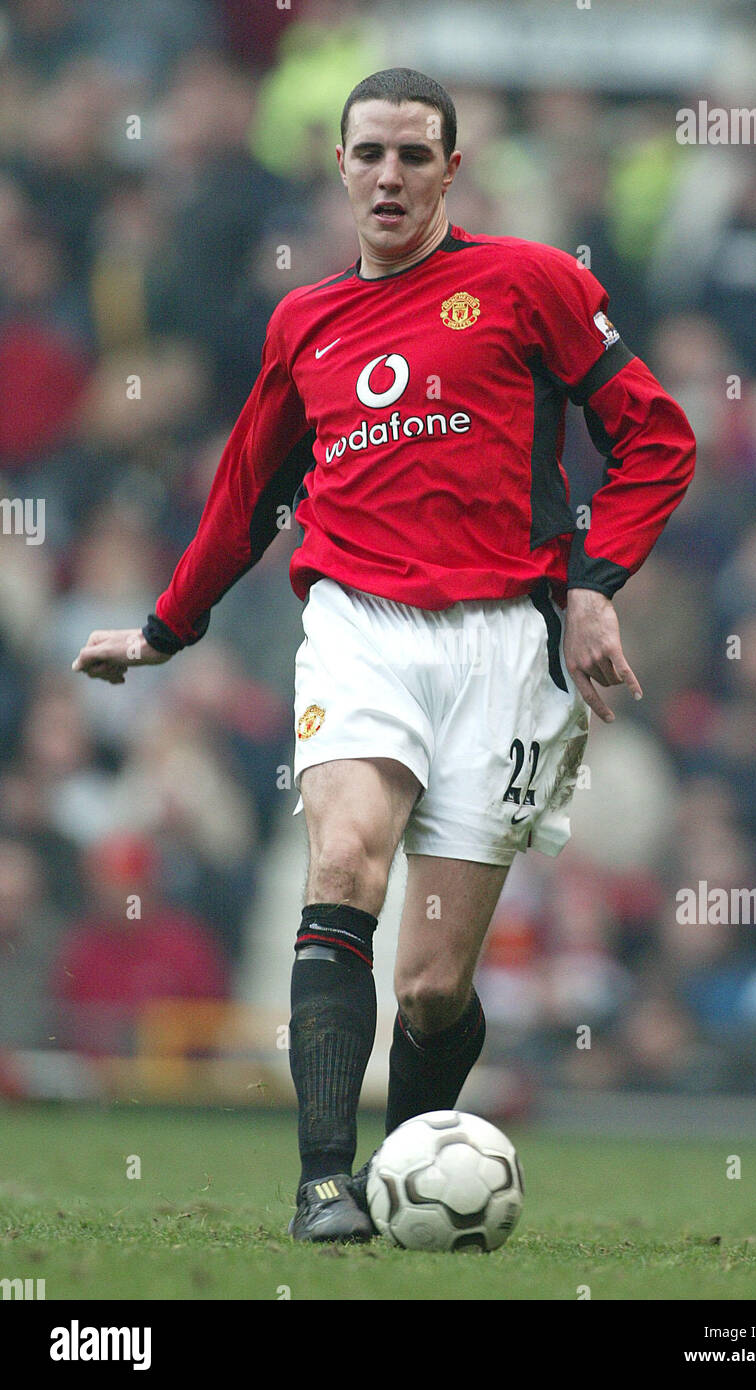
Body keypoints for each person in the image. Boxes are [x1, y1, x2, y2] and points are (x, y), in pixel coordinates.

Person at [73, 68, 696, 1242]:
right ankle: (321, 1183)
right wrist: (165, 626)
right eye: (370, 154)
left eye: (415, 155)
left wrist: (594, 586)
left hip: (505, 646)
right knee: (345, 860)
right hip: (357, 626)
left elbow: (657, 439)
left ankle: (406, 1173)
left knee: (429, 985)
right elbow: (247, 496)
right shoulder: (301, 320)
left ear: (450, 170)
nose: (390, 176)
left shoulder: (531, 283)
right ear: (341, 167)